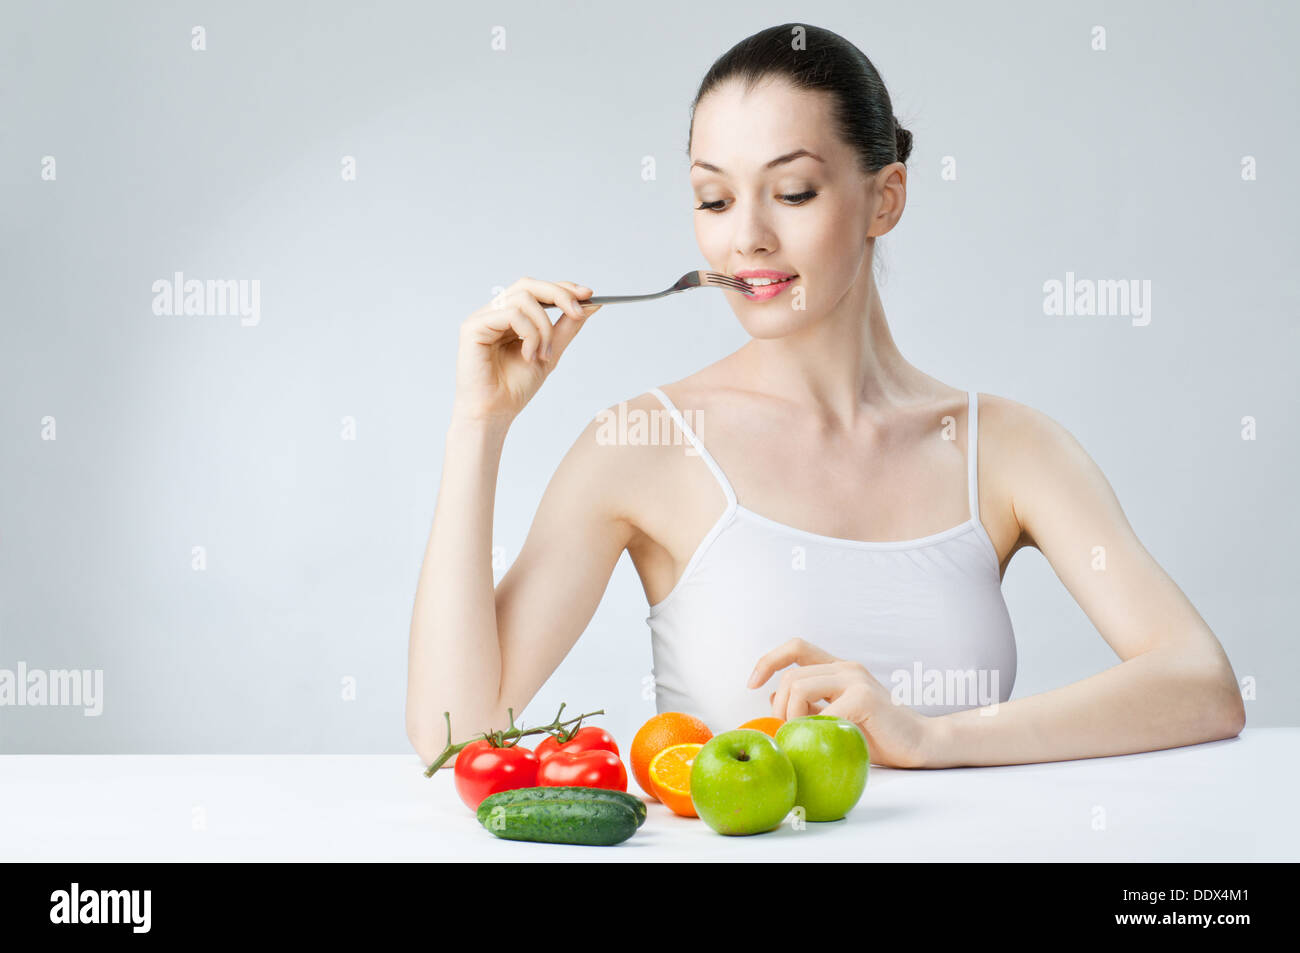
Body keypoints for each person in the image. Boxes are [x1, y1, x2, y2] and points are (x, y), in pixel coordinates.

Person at [406, 23, 1244, 770]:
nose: (748, 237)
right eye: (714, 198)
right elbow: (455, 732)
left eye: (795, 191)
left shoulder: (1010, 447)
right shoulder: (641, 444)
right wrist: (478, 423)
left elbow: (1202, 683)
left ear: (885, 198)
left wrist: (930, 737)